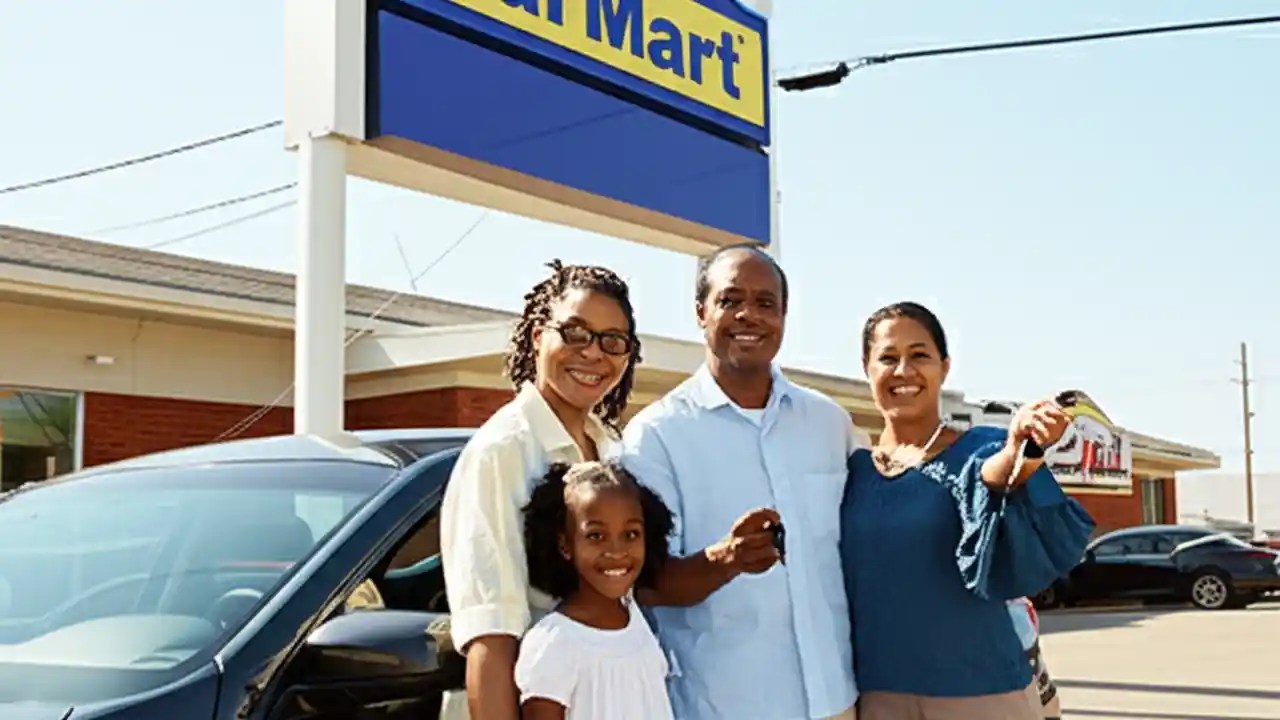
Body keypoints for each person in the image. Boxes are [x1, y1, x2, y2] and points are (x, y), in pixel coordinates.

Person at [623, 244, 865, 720]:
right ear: (701, 312)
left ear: (784, 316)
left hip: (836, 700)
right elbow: (644, 582)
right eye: (730, 300)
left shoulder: (829, 424)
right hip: (724, 706)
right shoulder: (656, 436)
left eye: (765, 303)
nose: (748, 315)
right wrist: (724, 560)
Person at [840, 301, 1095, 720]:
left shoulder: (979, 447)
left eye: (919, 355)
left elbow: (995, 477)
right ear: (866, 368)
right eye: (888, 358)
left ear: (945, 366)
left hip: (981, 692)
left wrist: (1020, 447)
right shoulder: (851, 468)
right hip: (878, 696)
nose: (903, 370)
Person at [439, 260, 642, 720]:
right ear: (537, 337)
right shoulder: (502, 453)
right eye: (575, 333)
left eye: (613, 341)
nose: (594, 353)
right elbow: (491, 632)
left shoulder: (612, 447)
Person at [514, 460, 677, 720]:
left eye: (631, 534)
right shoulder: (554, 643)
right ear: (565, 545)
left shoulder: (636, 618)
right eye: (596, 536)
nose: (616, 552)